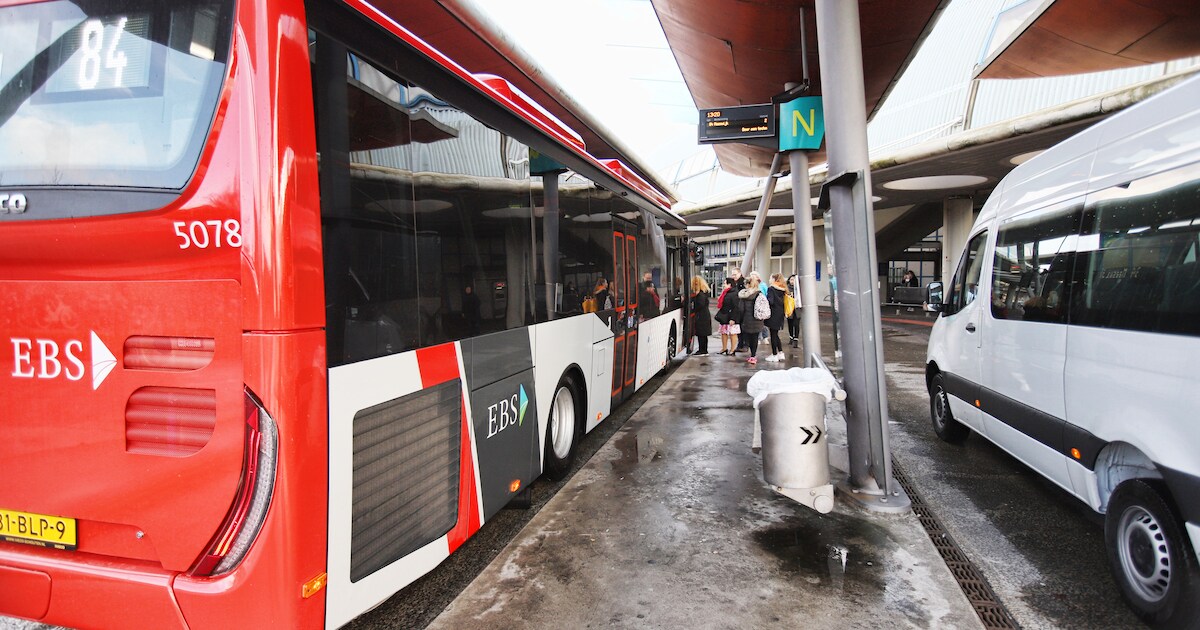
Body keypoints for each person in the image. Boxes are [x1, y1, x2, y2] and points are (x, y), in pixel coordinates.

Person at [737, 275, 769, 365]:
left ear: (748, 284)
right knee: (755, 338)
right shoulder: (759, 294)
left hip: (746, 320)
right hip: (757, 320)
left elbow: (741, 309)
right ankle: (753, 355)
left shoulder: (744, 296)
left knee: (748, 338)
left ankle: (750, 353)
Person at [764, 273, 788, 362]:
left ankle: (774, 354)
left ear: (774, 279)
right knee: (775, 333)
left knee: (773, 334)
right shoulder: (783, 289)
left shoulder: (771, 289)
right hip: (780, 313)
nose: (769, 280)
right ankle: (780, 352)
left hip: (773, 314)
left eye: (770, 278)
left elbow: (771, 301)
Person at [715, 277, 738, 355]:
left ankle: (732, 349)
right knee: (723, 332)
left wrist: (733, 318)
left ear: (729, 284)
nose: (723, 285)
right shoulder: (726, 292)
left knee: (732, 333)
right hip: (724, 315)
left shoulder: (734, 293)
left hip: (731, 316)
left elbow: (736, 307)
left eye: (725, 283)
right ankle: (724, 348)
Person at [689, 276, 712, 355]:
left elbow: (700, 305)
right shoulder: (704, 293)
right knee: (703, 335)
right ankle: (703, 350)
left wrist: (693, 309)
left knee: (701, 334)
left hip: (701, 317)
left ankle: (702, 350)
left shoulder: (700, 295)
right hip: (704, 316)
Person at [786, 274, 800, 342]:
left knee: (796, 324)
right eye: (791, 279)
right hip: (789, 308)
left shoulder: (799, 289)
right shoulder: (787, 288)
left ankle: (796, 338)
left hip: (797, 308)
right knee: (790, 323)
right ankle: (791, 337)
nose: (792, 281)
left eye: (794, 280)